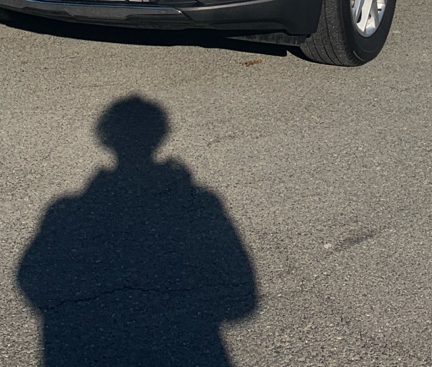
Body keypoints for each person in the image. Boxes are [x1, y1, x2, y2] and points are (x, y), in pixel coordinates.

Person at [18, 96, 257, 366]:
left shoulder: (64, 210)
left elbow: (32, 278)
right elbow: (242, 302)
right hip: (187, 347)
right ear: (162, 135)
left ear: (105, 138)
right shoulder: (202, 202)